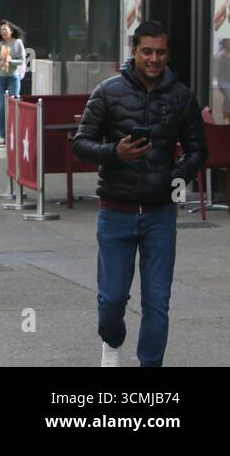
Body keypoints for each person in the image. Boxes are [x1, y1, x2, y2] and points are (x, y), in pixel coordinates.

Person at [72, 20, 207, 367]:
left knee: (157, 301)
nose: (154, 59)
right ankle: (112, 341)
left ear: (167, 53)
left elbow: (198, 152)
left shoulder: (182, 97)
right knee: (111, 300)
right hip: (115, 211)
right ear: (133, 51)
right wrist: (115, 152)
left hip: (160, 214)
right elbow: (81, 144)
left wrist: (172, 179)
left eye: (160, 52)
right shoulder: (108, 91)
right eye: (147, 51)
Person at [0, 19, 25, 144]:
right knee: (2, 106)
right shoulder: (0, 43)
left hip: (13, 78)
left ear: (11, 30)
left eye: (5, 29)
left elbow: (22, 60)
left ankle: (15, 135)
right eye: (1, 30)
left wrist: (11, 61)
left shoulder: (17, 43)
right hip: (0, 77)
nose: (3, 32)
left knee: (14, 106)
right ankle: (3, 135)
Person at [217, 39, 230, 123]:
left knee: (227, 99)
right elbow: (217, 69)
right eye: (228, 42)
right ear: (224, 44)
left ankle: (226, 117)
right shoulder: (221, 55)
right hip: (223, 81)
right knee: (229, 98)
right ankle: (226, 118)